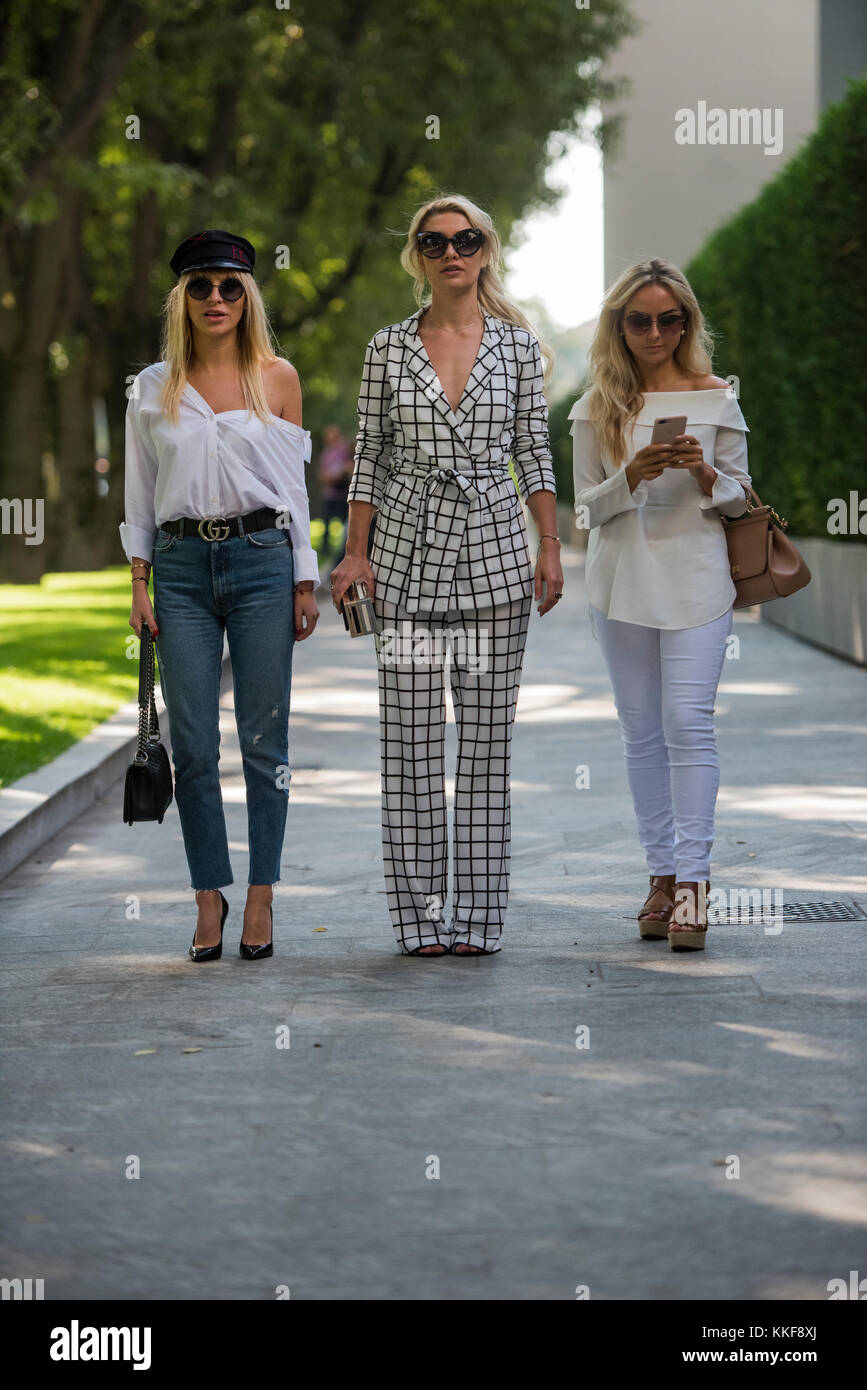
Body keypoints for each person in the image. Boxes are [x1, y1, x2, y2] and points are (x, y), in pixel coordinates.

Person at [331, 194, 563, 958]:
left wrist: (550, 544)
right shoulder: (386, 348)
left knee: (486, 749)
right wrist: (355, 553)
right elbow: (369, 454)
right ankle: (420, 919)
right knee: (409, 746)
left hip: (496, 564)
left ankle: (479, 921)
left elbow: (534, 449)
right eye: (434, 242)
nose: (450, 251)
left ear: (486, 250)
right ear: (418, 257)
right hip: (400, 564)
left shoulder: (517, 348)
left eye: (465, 239)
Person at [121, 229, 320, 962]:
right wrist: (137, 583)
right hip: (177, 571)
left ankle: (261, 895)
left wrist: (305, 577)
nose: (215, 299)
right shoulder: (151, 386)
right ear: (182, 296)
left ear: (248, 297)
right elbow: (140, 494)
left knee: (266, 745)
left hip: (264, 561)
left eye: (230, 286)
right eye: (201, 286)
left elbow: (293, 491)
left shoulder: (278, 378)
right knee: (195, 748)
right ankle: (210, 895)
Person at [570, 257, 751, 951]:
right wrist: (629, 476)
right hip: (621, 582)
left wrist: (707, 474)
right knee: (641, 730)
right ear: (619, 325)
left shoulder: (716, 398)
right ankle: (660, 876)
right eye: (639, 319)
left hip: (698, 576)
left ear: (685, 322)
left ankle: (695, 882)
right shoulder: (596, 406)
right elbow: (587, 507)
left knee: (687, 720)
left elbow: (742, 495)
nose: (654, 332)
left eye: (668, 319)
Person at [318, 424, 355, 564]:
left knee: (347, 526)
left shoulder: (344, 450)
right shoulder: (326, 454)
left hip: (344, 495)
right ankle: (325, 550)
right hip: (331, 494)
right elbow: (323, 475)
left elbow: (349, 467)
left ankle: (345, 550)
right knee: (326, 525)